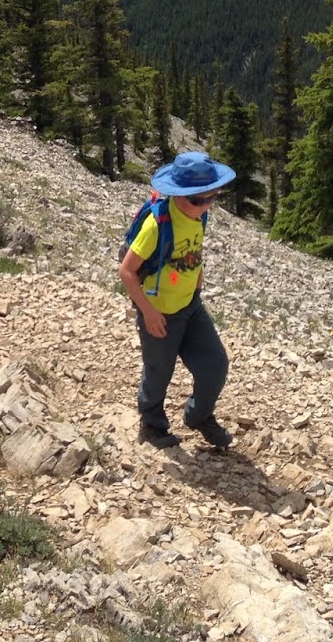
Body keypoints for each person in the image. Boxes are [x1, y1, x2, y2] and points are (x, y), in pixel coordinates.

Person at [118, 150, 234, 449]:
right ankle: (152, 425)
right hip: (160, 312)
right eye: (198, 199)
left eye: (211, 197)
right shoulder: (157, 225)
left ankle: (199, 416)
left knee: (216, 364)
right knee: (159, 371)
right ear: (178, 194)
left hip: (190, 304)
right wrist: (148, 312)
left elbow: (193, 252)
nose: (205, 205)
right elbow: (128, 271)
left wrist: (197, 283)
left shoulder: (200, 214)